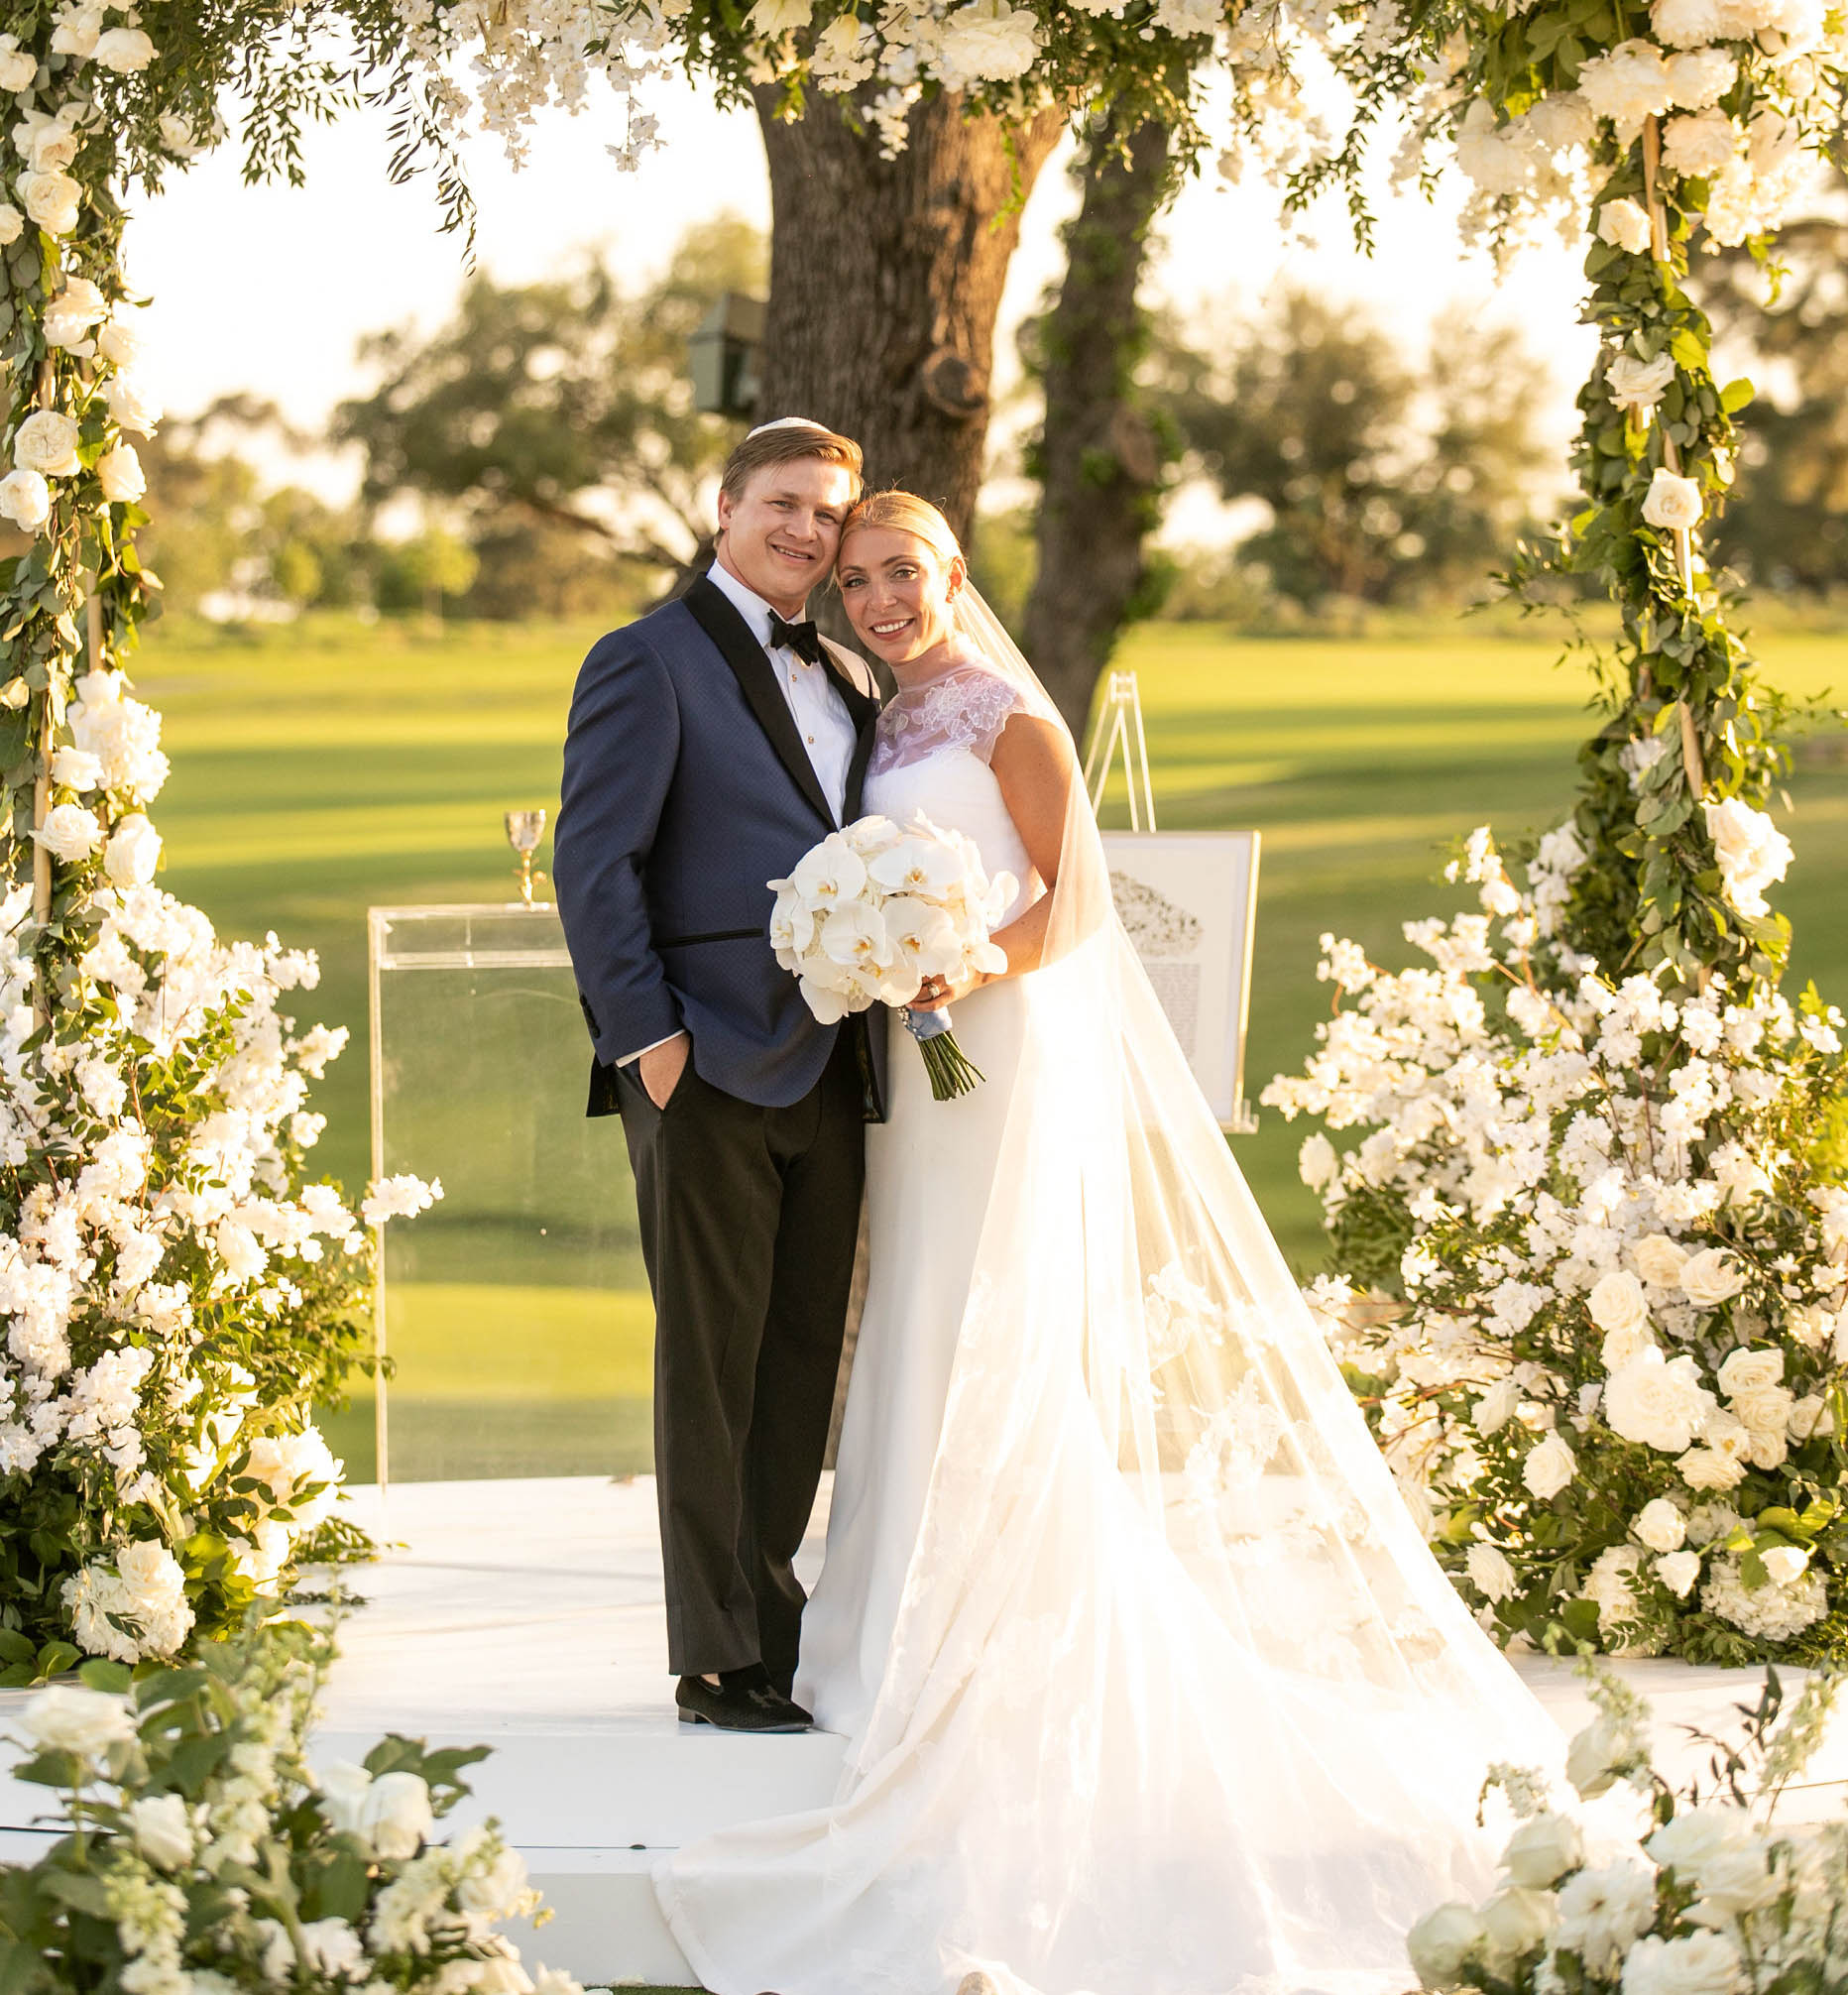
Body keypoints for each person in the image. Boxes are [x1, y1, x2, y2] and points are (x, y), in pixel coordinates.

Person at [655, 490, 1567, 1994]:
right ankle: (877, 1624)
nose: (879, 595)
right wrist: (875, 957)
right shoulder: (885, 716)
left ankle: (979, 1629)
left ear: (955, 578)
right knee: (917, 1323)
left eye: (906, 572)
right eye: (862, 576)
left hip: (990, 1053)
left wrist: (949, 964)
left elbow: (1075, 906)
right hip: (914, 1069)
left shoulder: (1012, 715)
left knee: (981, 1317)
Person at [552, 417, 888, 1735]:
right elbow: (597, 865)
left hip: (828, 1055)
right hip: (701, 1057)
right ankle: (713, 1657)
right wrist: (651, 1043)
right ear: (725, 508)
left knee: (801, 1354)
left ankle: (775, 1619)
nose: (805, 531)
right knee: (712, 1360)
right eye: (784, 504)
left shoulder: (854, 682)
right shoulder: (646, 659)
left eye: (826, 514)